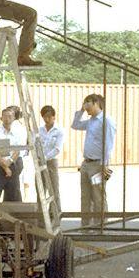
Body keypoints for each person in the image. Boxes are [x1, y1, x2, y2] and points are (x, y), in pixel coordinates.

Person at [71, 93, 116, 227]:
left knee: (98, 196)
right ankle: (86, 225)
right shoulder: (91, 121)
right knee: (85, 196)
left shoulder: (106, 121)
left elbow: (108, 145)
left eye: (88, 104)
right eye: (84, 104)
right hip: (86, 163)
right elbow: (75, 125)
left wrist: (104, 165)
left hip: (98, 164)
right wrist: (81, 111)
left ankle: (100, 226)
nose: (86, 107)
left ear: (96, 103)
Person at [0, 107, 27, 202]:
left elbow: (17, 150)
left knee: (14, 192)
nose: (7, 119)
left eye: (10, 116)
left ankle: (13, 211)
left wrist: (10, 162)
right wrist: (5, 167)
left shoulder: (17, 132)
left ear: (14, 118)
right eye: (5, 116)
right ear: (1, 118)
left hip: (12, 164)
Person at [39, 105, 64, 213]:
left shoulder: (59, 131)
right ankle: (41, 214)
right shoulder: (40, 130)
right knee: (40, 189)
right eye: (45, 117)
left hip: (51, 161)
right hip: (40, 162)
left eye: (49, 117)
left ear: (54, 117)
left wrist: (45, 157)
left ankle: (56, 212)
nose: (47, 119)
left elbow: (57, 149)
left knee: (53, 188)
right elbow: (36, 144)